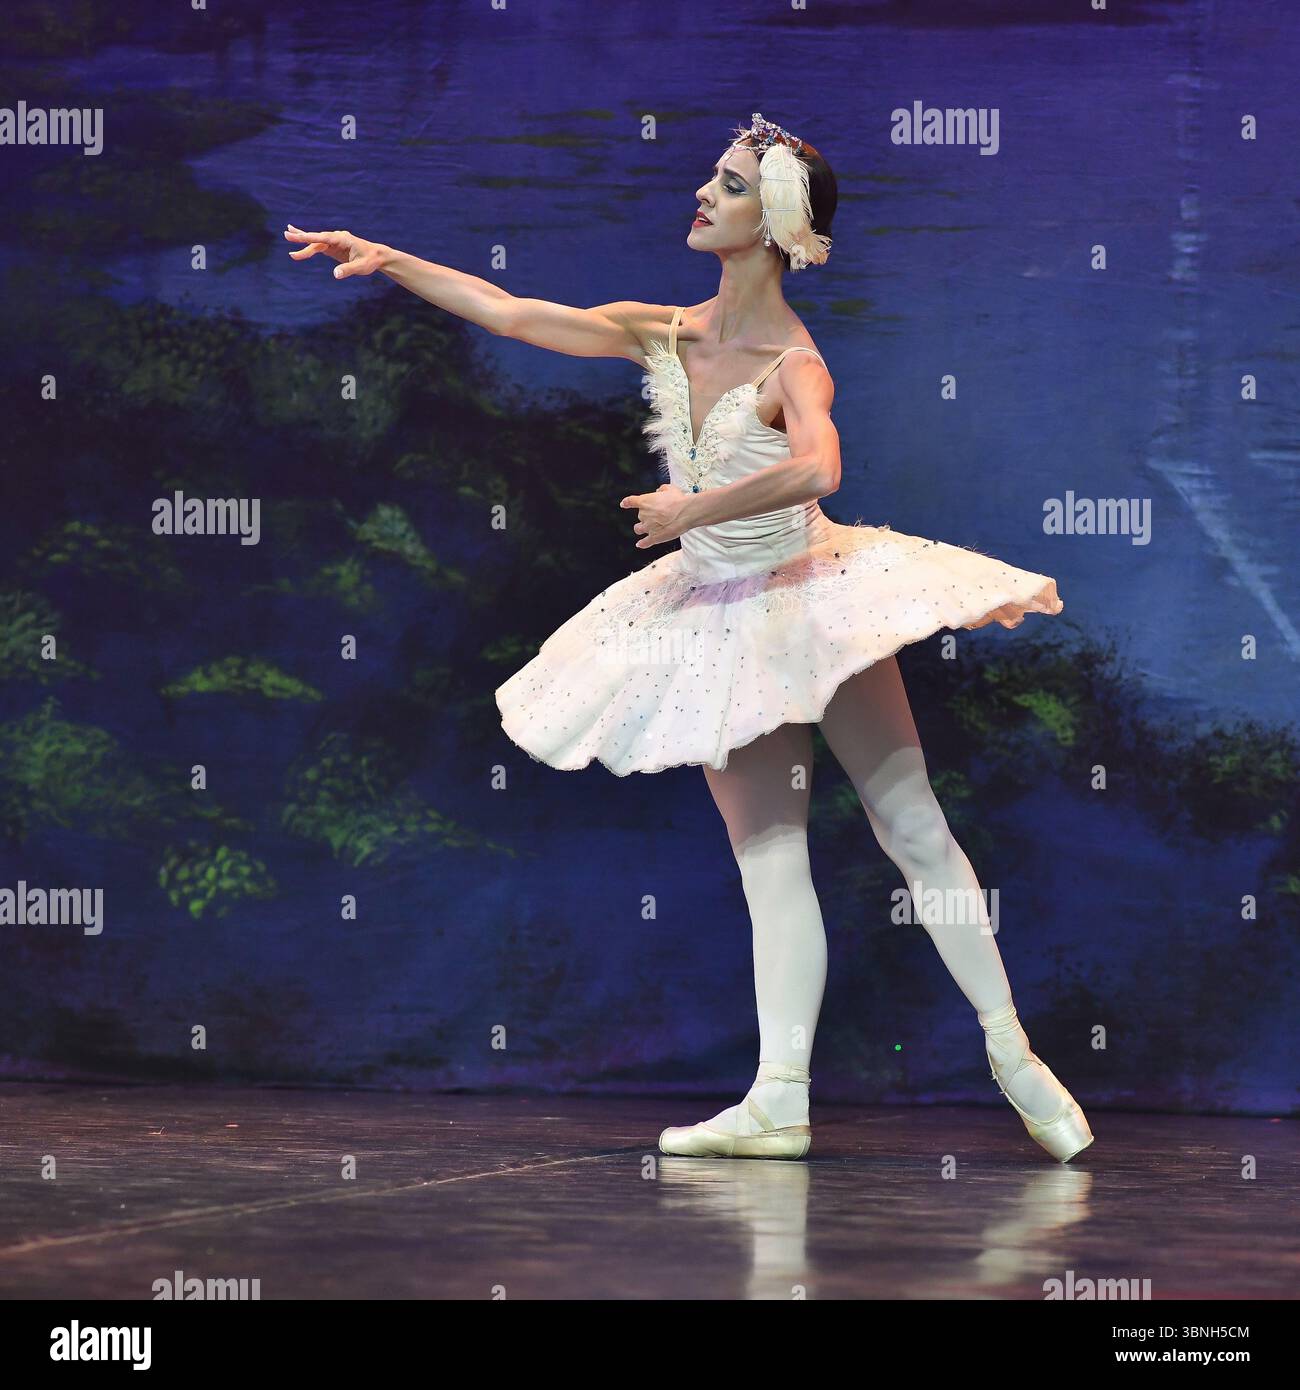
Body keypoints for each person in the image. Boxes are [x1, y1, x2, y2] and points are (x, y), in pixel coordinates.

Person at [284, 112, 1093, 1165]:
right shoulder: (662, 328)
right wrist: (388, 259)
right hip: (717, 618)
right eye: (711, 178)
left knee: (910, 824)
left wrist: (689, 511)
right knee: (767, 859)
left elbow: (818, 471)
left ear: (774, 224)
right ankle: (779, 1097)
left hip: (809, 594)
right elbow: (513, 311)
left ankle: (1011, 1052)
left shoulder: (793, 361)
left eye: (730, 186)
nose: (704, 194)